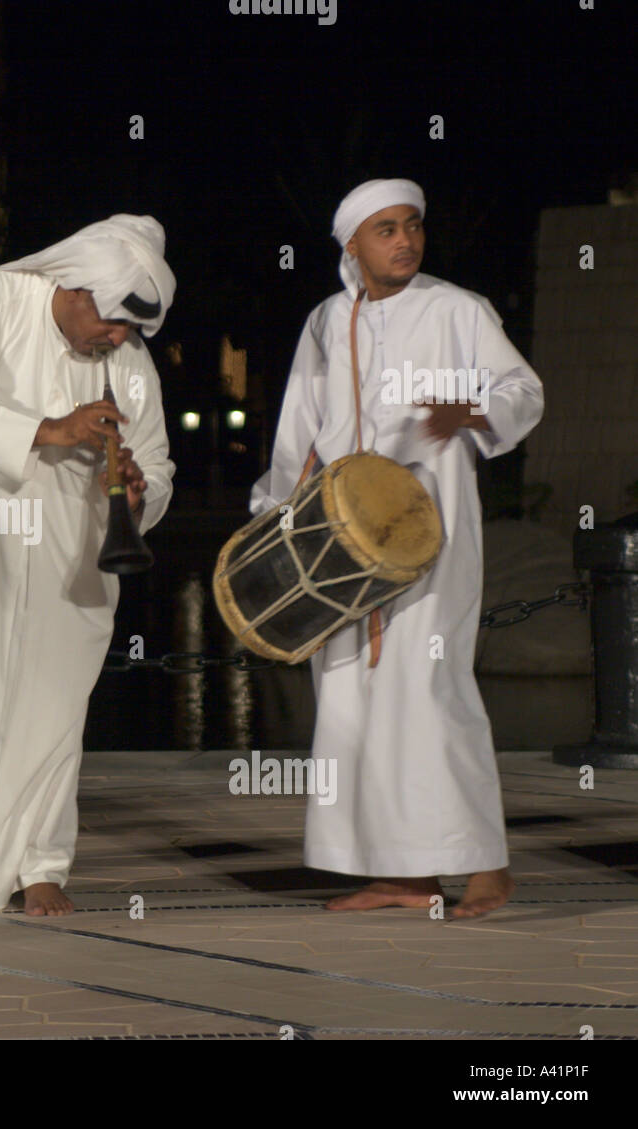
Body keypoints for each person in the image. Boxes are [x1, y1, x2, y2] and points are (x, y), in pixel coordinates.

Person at [250, 179, 544, 918]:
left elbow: (523, 391)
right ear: (352, 244)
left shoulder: (457, 309)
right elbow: (300, 428)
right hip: (337, 537)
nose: (405, 240)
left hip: (432, 528)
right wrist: (274, 511)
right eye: (386, 229)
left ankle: (485, 864)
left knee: (430, 690)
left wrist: (459, 413)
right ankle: (399, 872)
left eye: (413, 225)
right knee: (349, 700)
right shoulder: (325, 322)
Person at [0, 215, 176, 915]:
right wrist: (53, 430)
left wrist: (141, 490)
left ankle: (39, 864)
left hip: (72, 554)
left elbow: (161, 464)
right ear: (75, 287)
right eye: (111, 323)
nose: (120, 340)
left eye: (131, 331)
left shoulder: (128, 363)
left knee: (54, 708)